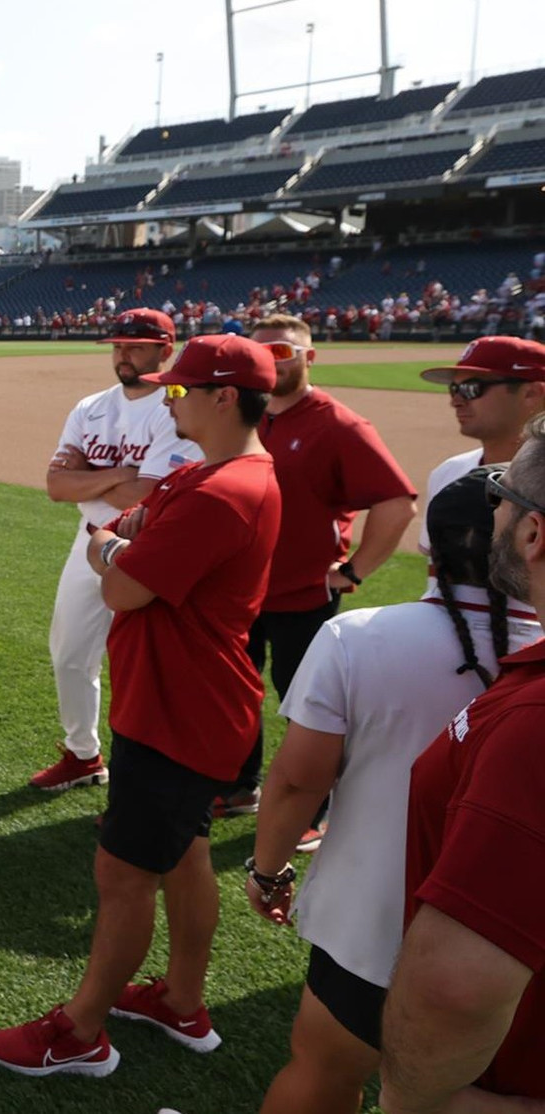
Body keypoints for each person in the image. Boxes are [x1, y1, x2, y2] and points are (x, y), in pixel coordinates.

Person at [0, 334, 281, 1078]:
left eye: (182, 390)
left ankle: (81, 1032)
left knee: (123, 877)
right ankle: (181, 1001)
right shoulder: (215, 476)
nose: (169, 399)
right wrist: (121, 543)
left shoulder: (221, 489)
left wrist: (112, 551)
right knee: (185, 855)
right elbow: (125, 529)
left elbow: (119, 578)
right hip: (182, 701)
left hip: (181, 709)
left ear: (224, 398)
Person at [247, 469, 539, 1114]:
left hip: (368, 927)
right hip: (513, 961)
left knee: (322, 1070)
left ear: (429, 550)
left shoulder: (358, 637)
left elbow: (297, 780)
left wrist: (267, 873)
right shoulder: (533, 653)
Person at [382, 426, 545, 1110]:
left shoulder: (534, 725)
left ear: (534, 533)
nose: (494, 512)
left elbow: (453, 989)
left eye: (501, 495)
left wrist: (411, 1100)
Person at [216, 315, 417, 826]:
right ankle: (240, 787)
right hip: (239, 589)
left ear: (310, 358)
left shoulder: (339, 424)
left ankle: (316, 810)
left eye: (283, 352)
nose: (272, 362)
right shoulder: (247, 414)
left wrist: (353, 572)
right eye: (261, 354)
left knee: (309, 709)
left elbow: (396, 503)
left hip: (302, 596)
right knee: (236, 692)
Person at [31, 308, 201, 792]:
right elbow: (56, 485)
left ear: (166, 349)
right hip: (90, 540)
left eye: (136, 346)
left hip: (155, 548)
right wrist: (121, 475)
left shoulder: (178, 405)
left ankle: (154, 777)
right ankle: (83, 755)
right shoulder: (90, 408)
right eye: (118, 345)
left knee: (151, 668)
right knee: (68, 653)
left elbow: (151, 496)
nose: (123, 354)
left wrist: (91, 478)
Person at [417, 337, 545, 555]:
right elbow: (439, 578)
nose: (455, 400)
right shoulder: (449, 474)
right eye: (454, 388)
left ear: (531, 393)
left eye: (471, 388)